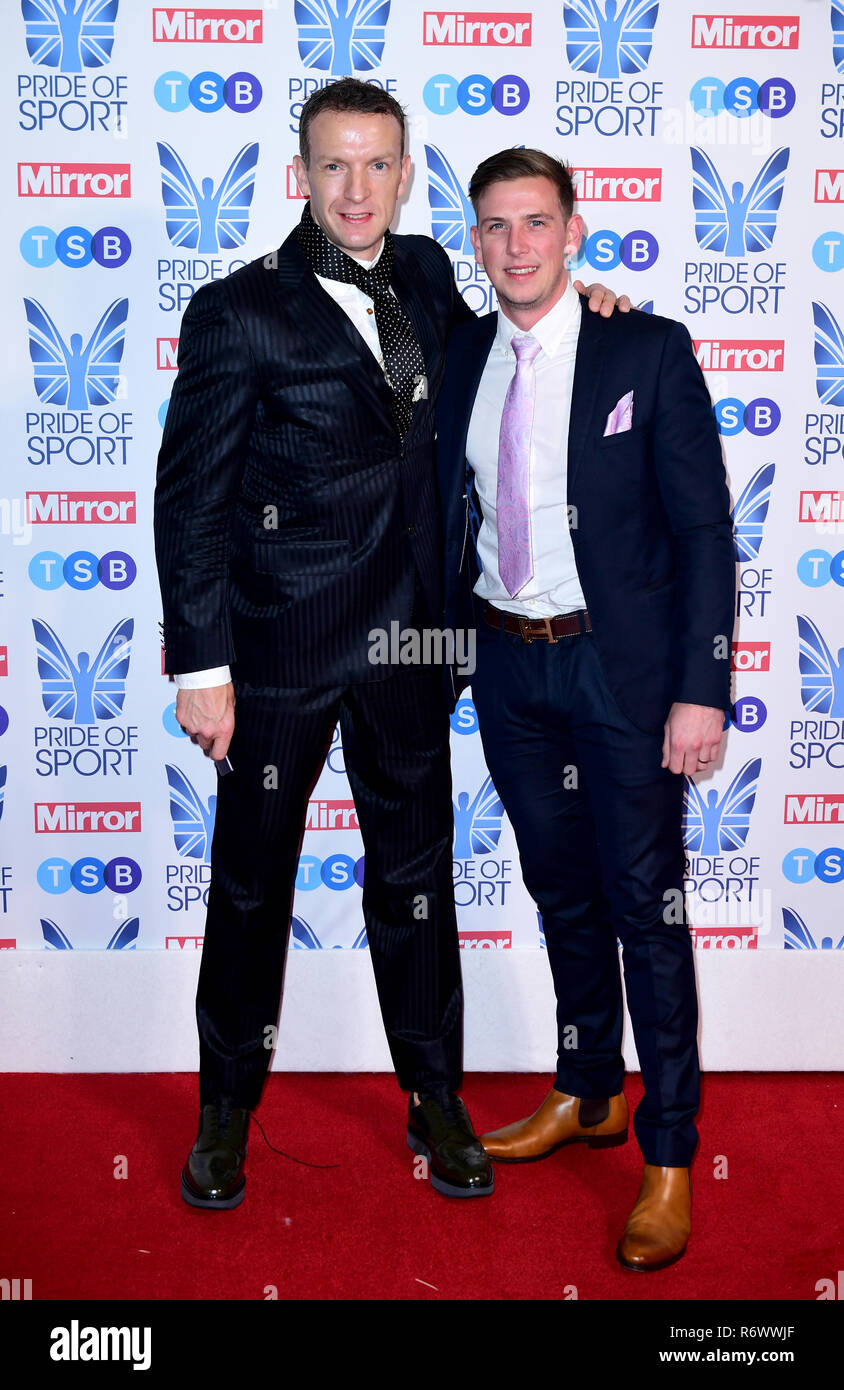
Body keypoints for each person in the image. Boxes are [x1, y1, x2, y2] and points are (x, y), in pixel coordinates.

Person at [154, 84, 623, 1210]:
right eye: (334, 167)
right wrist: (200, 666)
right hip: (281, 645)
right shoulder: (238, 312)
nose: (355, 189)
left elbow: (496, 359)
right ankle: (226, 1108)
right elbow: (190, 503)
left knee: (413, 880)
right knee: (251, 879)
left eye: (376, 166)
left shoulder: (423, 273)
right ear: (299, 176)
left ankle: (434, 1095)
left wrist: (576, 307)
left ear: (404, 174)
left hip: (415, 638)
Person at [435, 148, 735, 1270]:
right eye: (493, 227)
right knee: (560, 889)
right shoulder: (465, 349)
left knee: (643, 911)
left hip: (624, 674)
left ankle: (666, 1155)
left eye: (534, 223)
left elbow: (705, 530)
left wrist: (701, 688)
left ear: (573, 231)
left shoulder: (642, 348)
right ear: (474, 241)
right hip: (511, 670)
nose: (514, 245)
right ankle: (586, 1087)